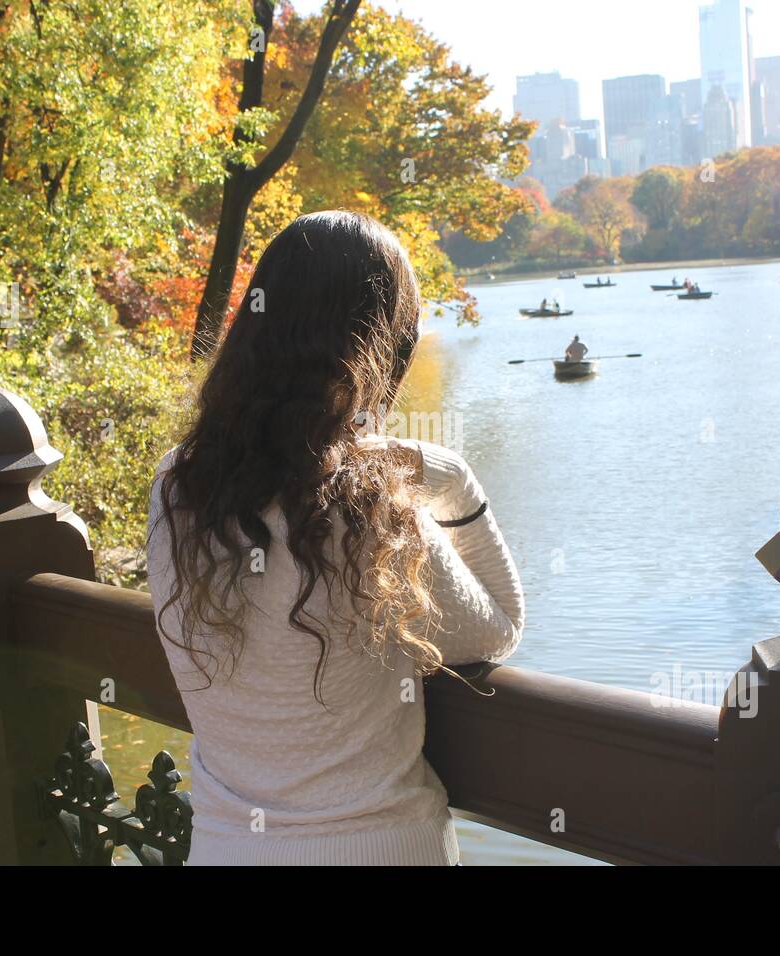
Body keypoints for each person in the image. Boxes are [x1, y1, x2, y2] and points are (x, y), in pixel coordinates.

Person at [147, 212, 524, 866]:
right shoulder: (371, 505)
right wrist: (453, 479)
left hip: (227, 848)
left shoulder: (177, 489)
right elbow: (496, 630)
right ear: (383, 348)